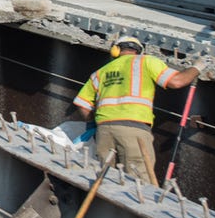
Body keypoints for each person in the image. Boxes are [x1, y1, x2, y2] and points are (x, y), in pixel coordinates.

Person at [72, 36, 204, 185]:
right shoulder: (146, 61)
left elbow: (82, 104)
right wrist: (196, 68)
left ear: (115, 50)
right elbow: (177, 82)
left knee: (108, 181)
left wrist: (92, 122)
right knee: (140, 183)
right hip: (134, 131)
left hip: (104, 131)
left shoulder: (100, 72)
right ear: (139, 51)